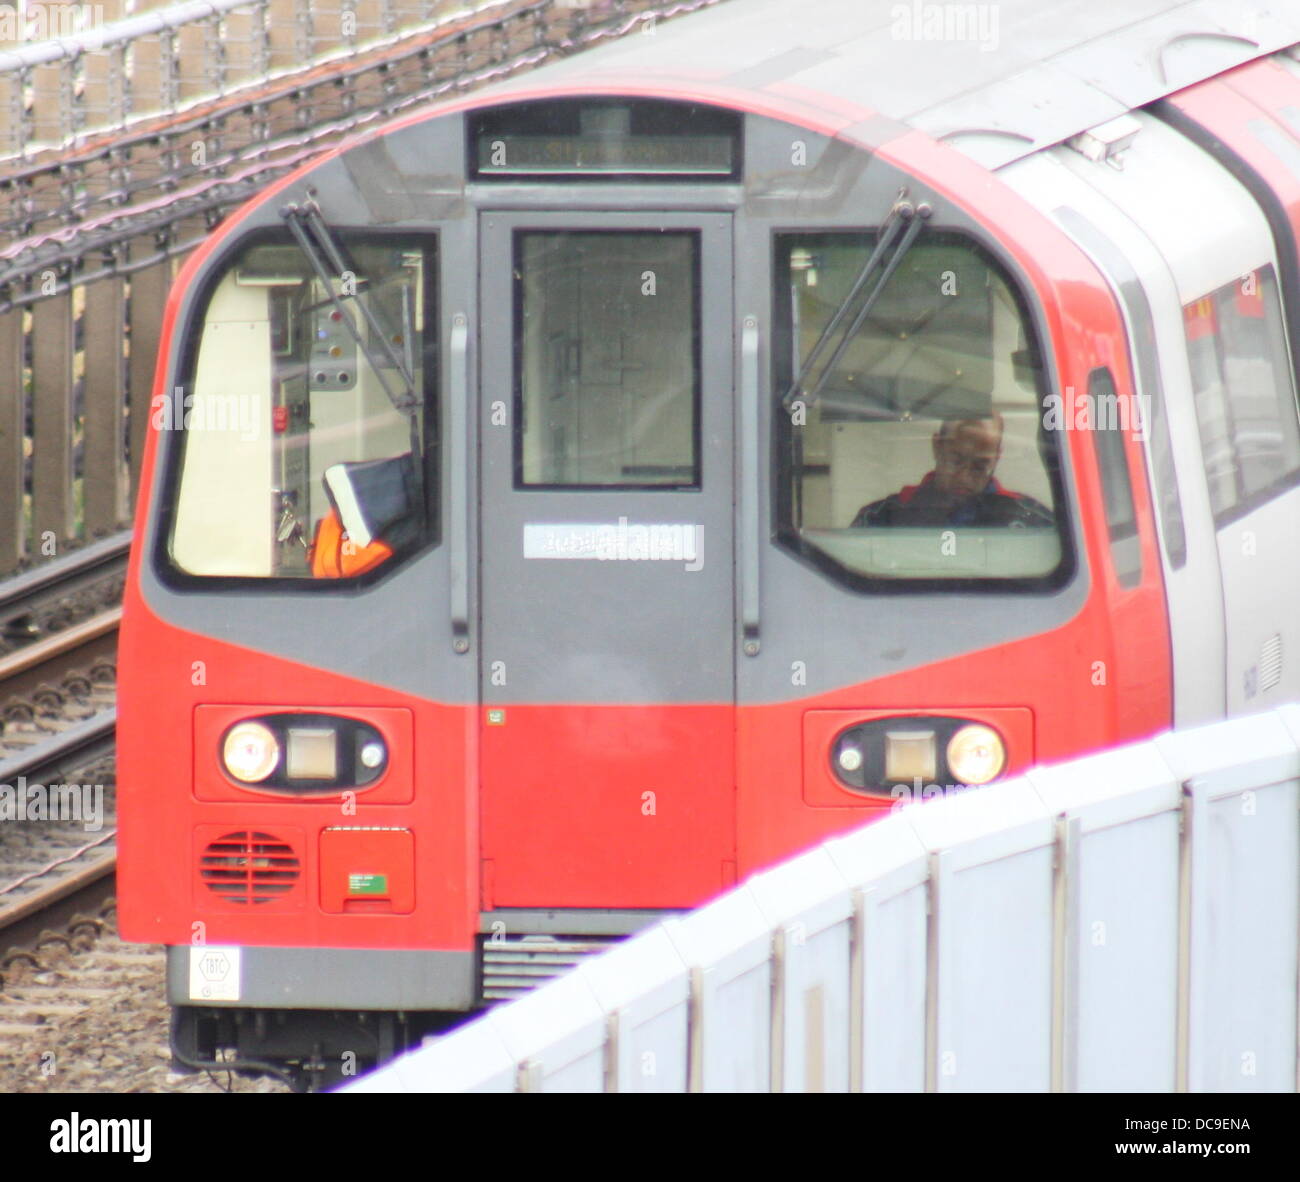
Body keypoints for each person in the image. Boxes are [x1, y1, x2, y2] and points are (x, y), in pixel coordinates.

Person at [851, 413, 1053, 527]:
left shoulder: (1030, 520)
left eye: (979, 467)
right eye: (955, 462)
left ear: (997, 458)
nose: (964, 478)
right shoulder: (882, 518)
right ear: (937, 447)